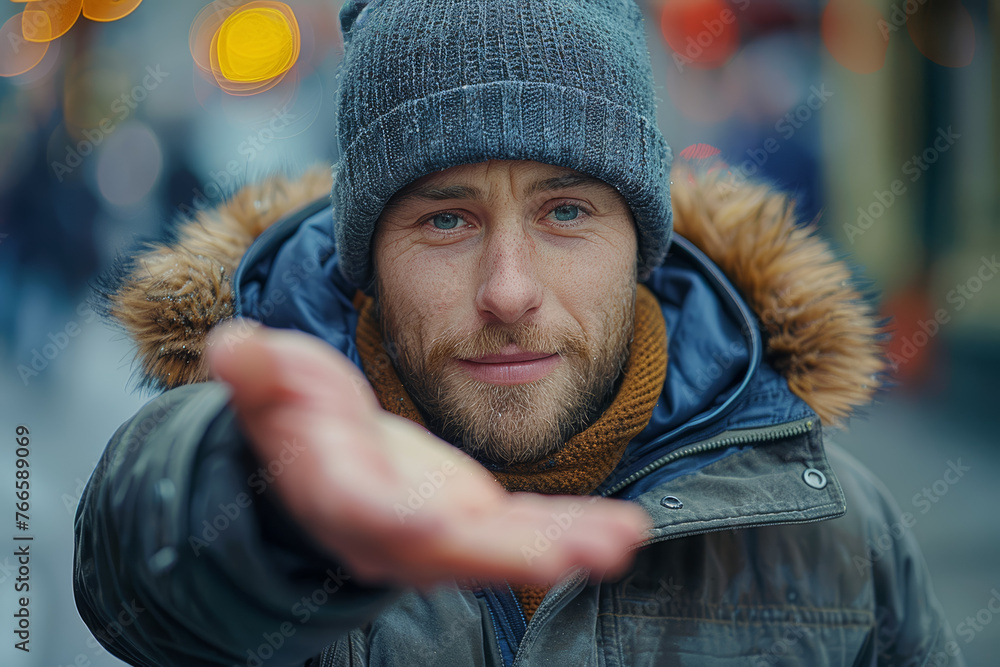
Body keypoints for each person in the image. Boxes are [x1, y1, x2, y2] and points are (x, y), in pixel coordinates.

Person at [74, 0, 962, 665]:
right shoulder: (274, 467)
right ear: (366, 259)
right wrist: (276, 513)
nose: (508, 290)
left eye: (566, 210)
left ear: (643, 245)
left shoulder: (835, 528)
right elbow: (136, 563)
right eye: (446, 221)